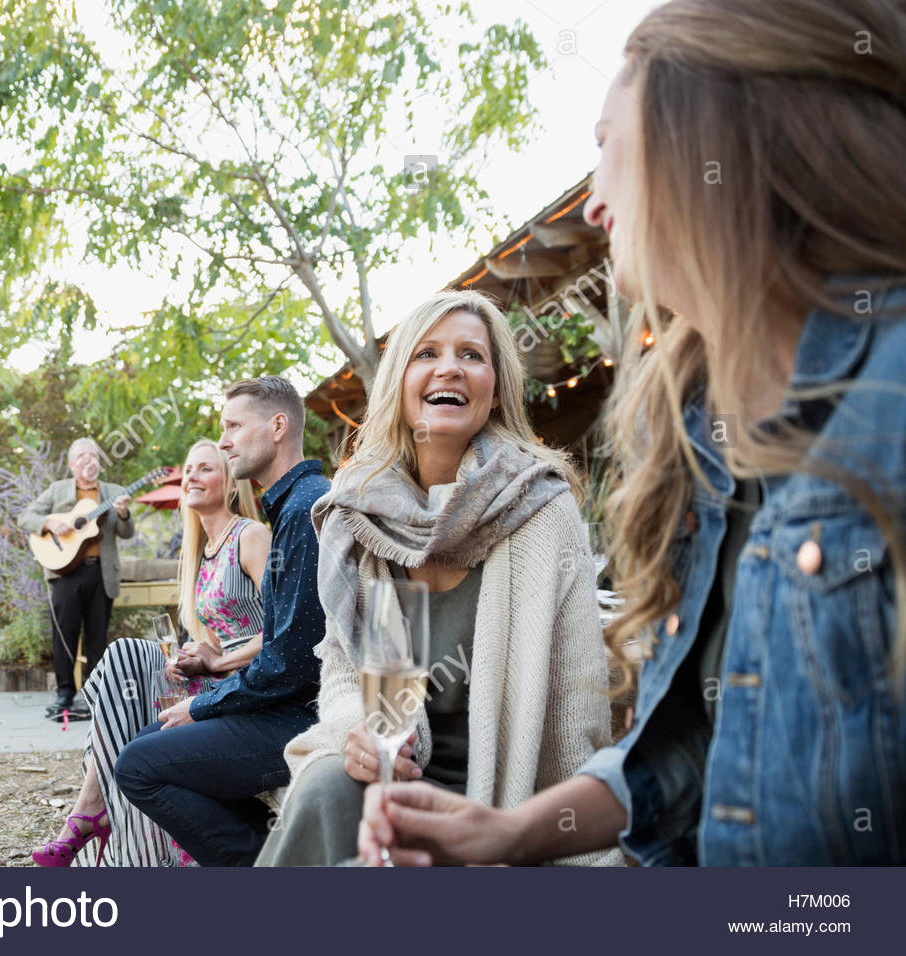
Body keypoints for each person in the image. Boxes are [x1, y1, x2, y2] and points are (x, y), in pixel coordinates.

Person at [359, 0, 906, 867]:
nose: (599, 198)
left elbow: (582, 698)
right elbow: (687, 738)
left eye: (610, 143)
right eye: (424, 355)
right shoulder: (706, 432)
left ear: (710, 142)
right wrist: (510, 836)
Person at [258, 289, 619, 866]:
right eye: (426, 352)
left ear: (495, 388)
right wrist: (360, 732)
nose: (449, 366)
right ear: (399, 381)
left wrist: (574, 850)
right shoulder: (359, 517)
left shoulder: (542, 510)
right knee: (326, 783)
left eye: (471, 355)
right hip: (394, 783)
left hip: (504, 802)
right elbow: (346, 671)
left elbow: (577, 704)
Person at [114, 376, 331, 866]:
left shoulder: (304, 510)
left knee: (138, 766)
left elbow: (292, 665)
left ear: (277, 427)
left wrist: (207, 705)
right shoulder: (292, 507)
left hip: (307, 716)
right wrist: (212, 679)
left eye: (233, 425)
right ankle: (277, 855)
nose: (225, 438)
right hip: (283, 703)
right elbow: (284, 647)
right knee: (149, 742)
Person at [30, 439, 270, 867]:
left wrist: (217, 661)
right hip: (217, 678)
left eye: (205, 469)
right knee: (121, 671)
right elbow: (221, 636)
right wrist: (198, 657)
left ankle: (88, 818)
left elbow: (280, 633)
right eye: (188, 469)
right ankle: (99, 823)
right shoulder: (201, 552)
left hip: (249, 687)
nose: (191, 476)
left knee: (122, 662)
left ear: (232, 486)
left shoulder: (251, 537)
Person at [18, 438, 134, 719]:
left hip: (101, 572)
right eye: (82, 456)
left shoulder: (114, 493)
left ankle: (94, 696)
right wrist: (49, 523)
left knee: (97, 638)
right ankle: (64, 696)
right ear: (72, 464)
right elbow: (25, 516)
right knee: (64, 636)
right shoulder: (58, 490)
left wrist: (123, 513)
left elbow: (127, 532)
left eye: (93, 456)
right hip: (64, 573)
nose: (89, 461)